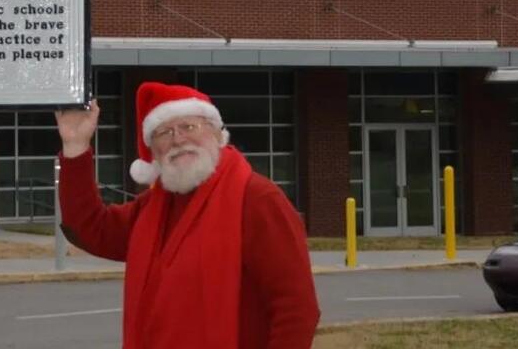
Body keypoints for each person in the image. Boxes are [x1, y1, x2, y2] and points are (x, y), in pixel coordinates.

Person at [55, 81, 320, 348]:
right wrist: (76, 145)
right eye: (164, 132)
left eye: (189, 127)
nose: (178, 139)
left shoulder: (258, 200)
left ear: (216, 133)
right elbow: (90, 228)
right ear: (153, 151)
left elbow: (296, 310)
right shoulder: (152, 209)